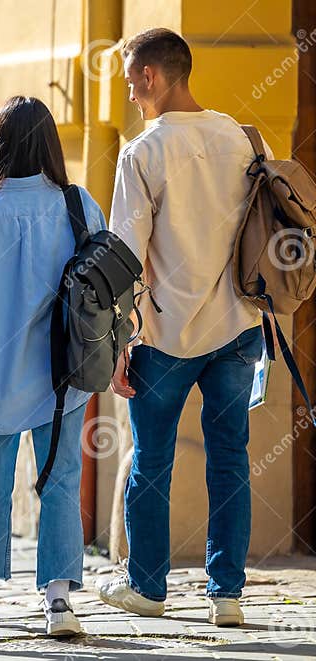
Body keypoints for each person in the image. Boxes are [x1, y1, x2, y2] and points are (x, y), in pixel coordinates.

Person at [97, 28, 265, 628]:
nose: (129, 94)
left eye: (130, 82)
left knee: (151, 459)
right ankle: (227, 594)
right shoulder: (242, 138)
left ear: (150, 77)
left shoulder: (142, 152)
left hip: (165, 335)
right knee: (231, 458)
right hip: (239, 326)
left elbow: (123, 256)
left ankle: (147, 587)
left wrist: (118, 342)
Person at [0, 96, 105, 637]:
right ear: (51, 144)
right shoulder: (80, 205)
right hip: (65, 374)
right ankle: (58, 600)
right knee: (61, 480)